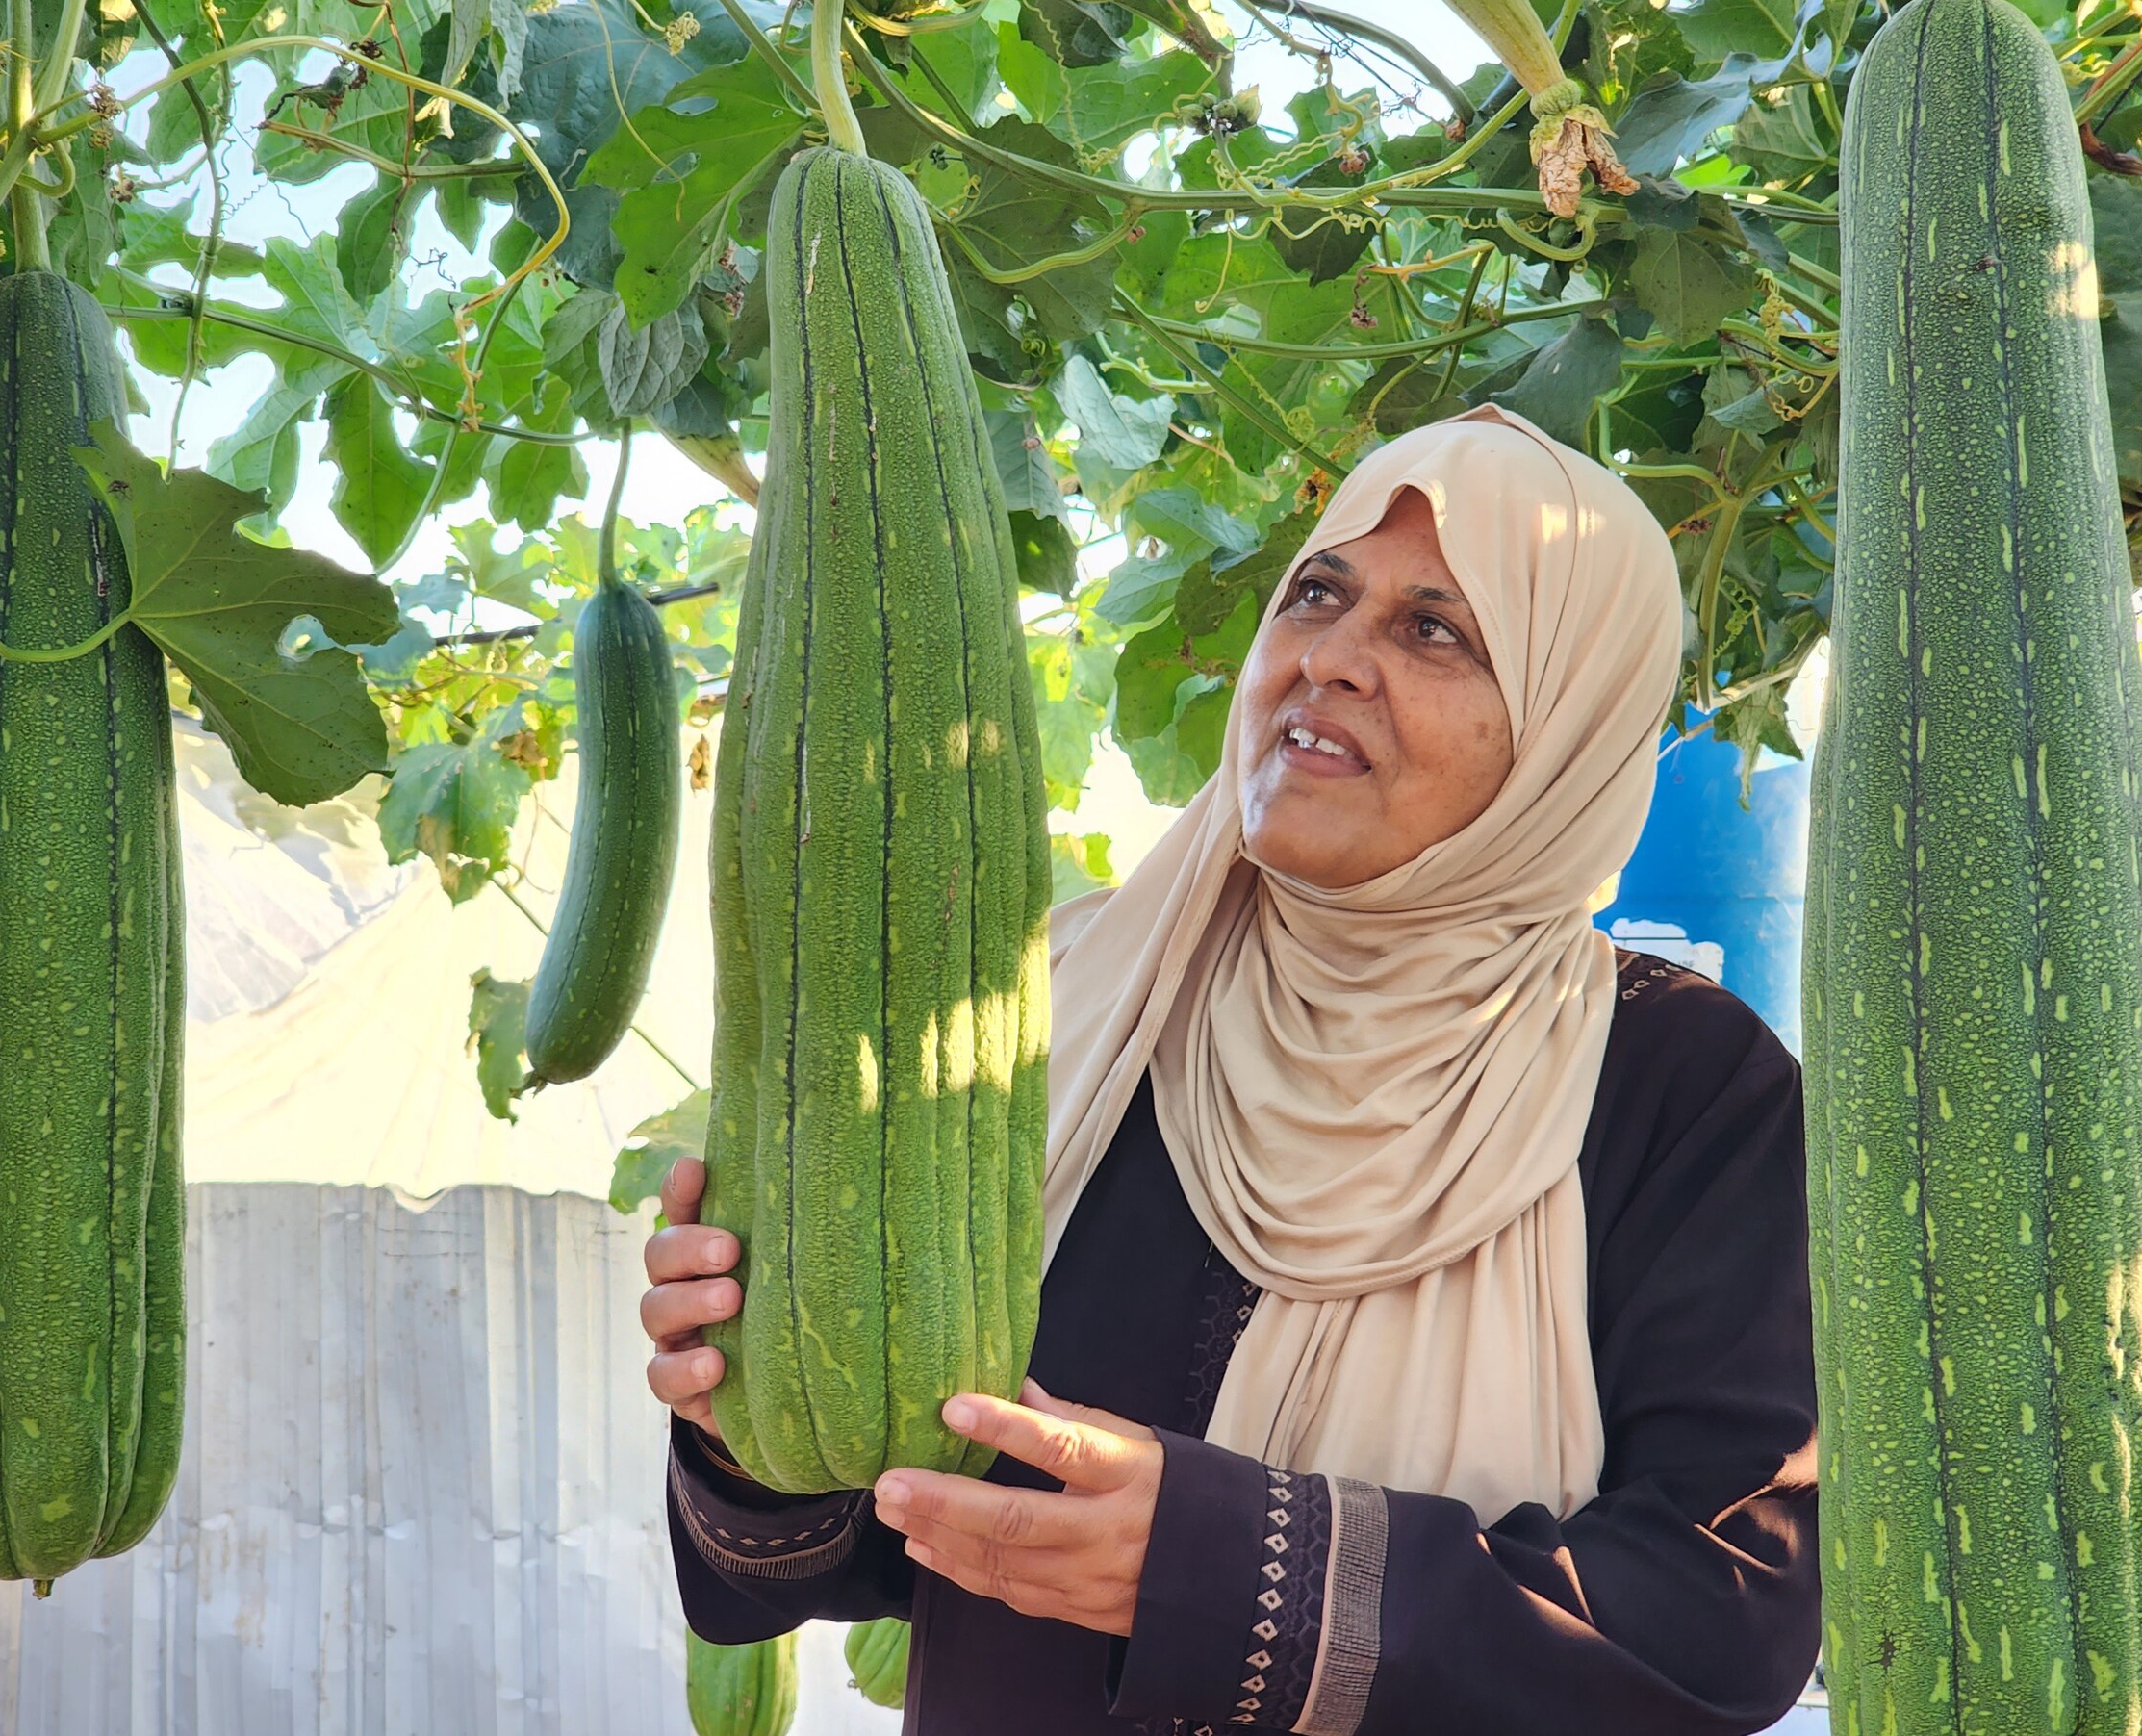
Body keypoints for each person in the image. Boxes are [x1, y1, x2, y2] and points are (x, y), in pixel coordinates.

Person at [642, 405, 1819, 1733]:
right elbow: (884, 1525)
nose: (1329, 658)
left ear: (1567, 726)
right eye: (1315, 594)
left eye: (1434, 628)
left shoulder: (1689, 1091)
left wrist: (1225, 1570)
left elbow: (1727, 1613)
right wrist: (759, 1415)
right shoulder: (1061, 1001)